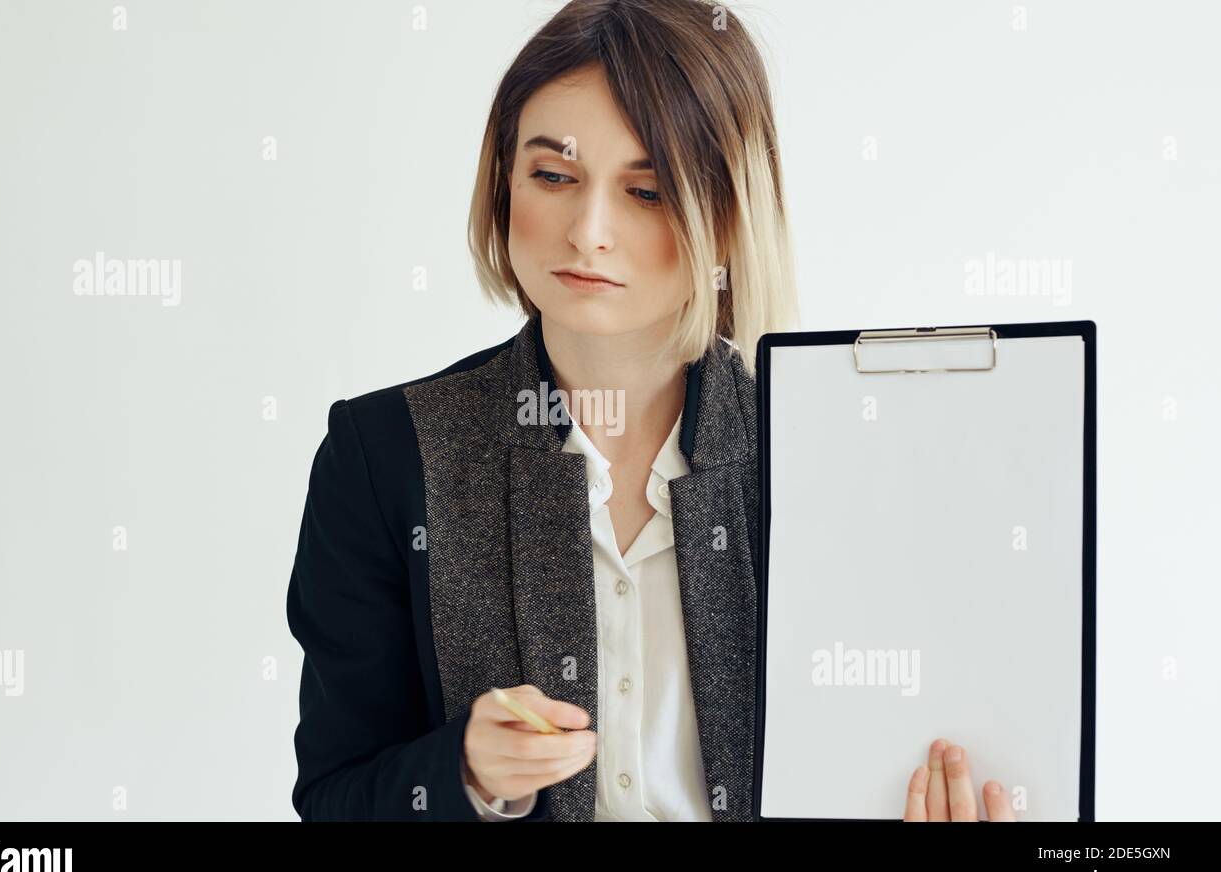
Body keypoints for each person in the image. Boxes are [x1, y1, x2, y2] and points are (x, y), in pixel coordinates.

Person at [287, 0, 1014, 822]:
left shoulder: (826, 451)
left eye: (647, 190)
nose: (588, 230)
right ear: (501, 183)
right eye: (553, 176)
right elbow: (334, 795)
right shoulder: (384, 456)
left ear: (730, 217)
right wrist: (461, 774)